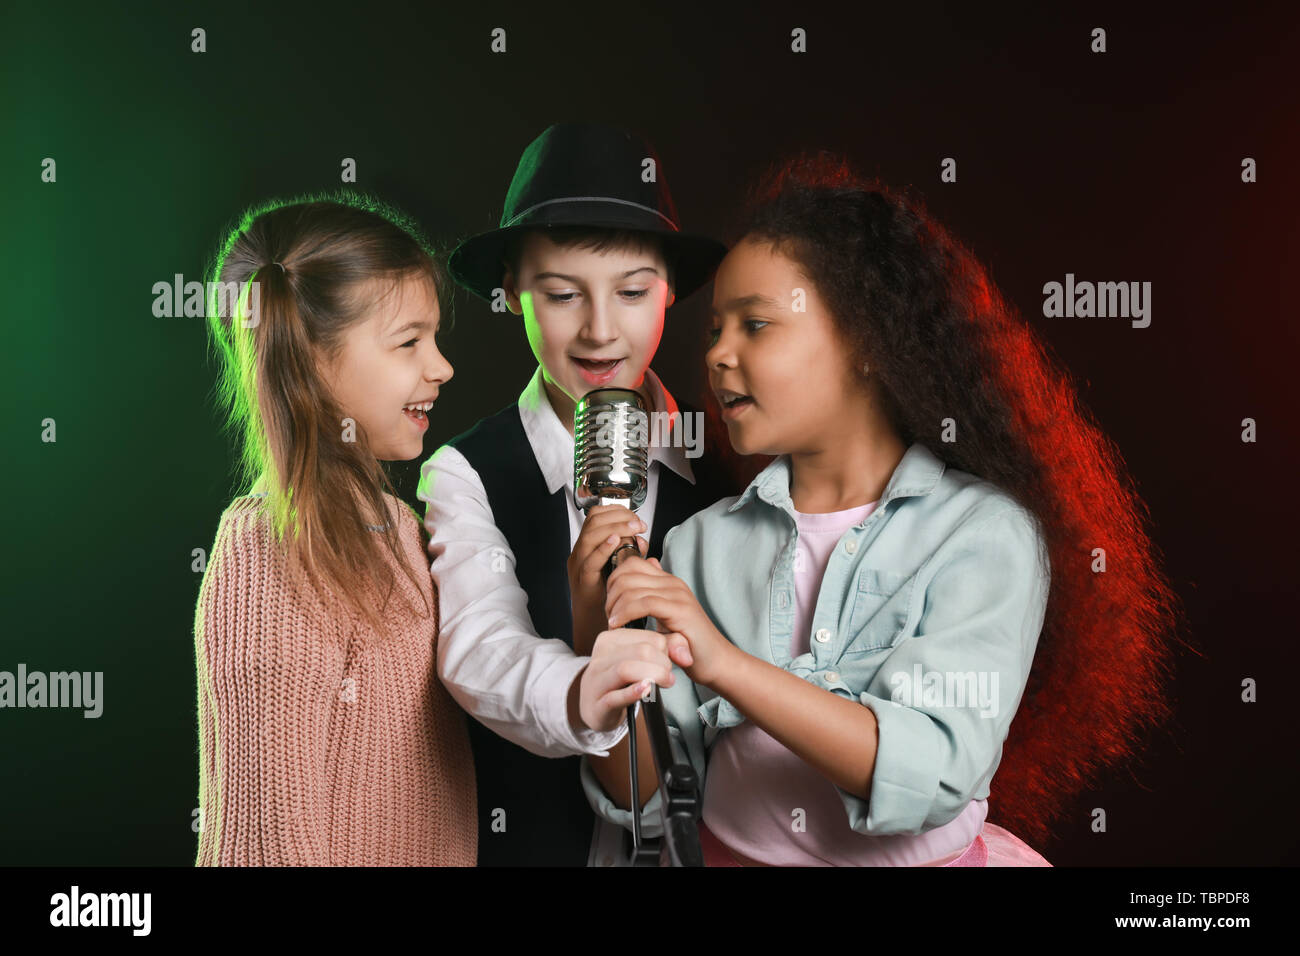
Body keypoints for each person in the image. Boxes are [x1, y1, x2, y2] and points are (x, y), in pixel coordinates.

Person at [581, 152, 1186, 866]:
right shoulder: (698, 546)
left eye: (756, 325)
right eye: (716, 329)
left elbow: (929, 771)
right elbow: (644, 797)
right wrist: (600, 640)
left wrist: (726, 666)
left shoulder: (982, 536)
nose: (717, 355)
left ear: (868, 343)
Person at [418, 122, 740, 866]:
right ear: (512, 293)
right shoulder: (467, 473)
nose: (600, 331)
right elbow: (481, 649)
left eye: (631, 293)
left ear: (670, 292)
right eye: (562, 295)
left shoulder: (731, 463)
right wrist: (590, 683)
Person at [194, 193, 476, 865]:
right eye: (409, 342)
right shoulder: (268, 551)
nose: (442, 367)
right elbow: (260, 850)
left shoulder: (402, 529)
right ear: (313, 359)